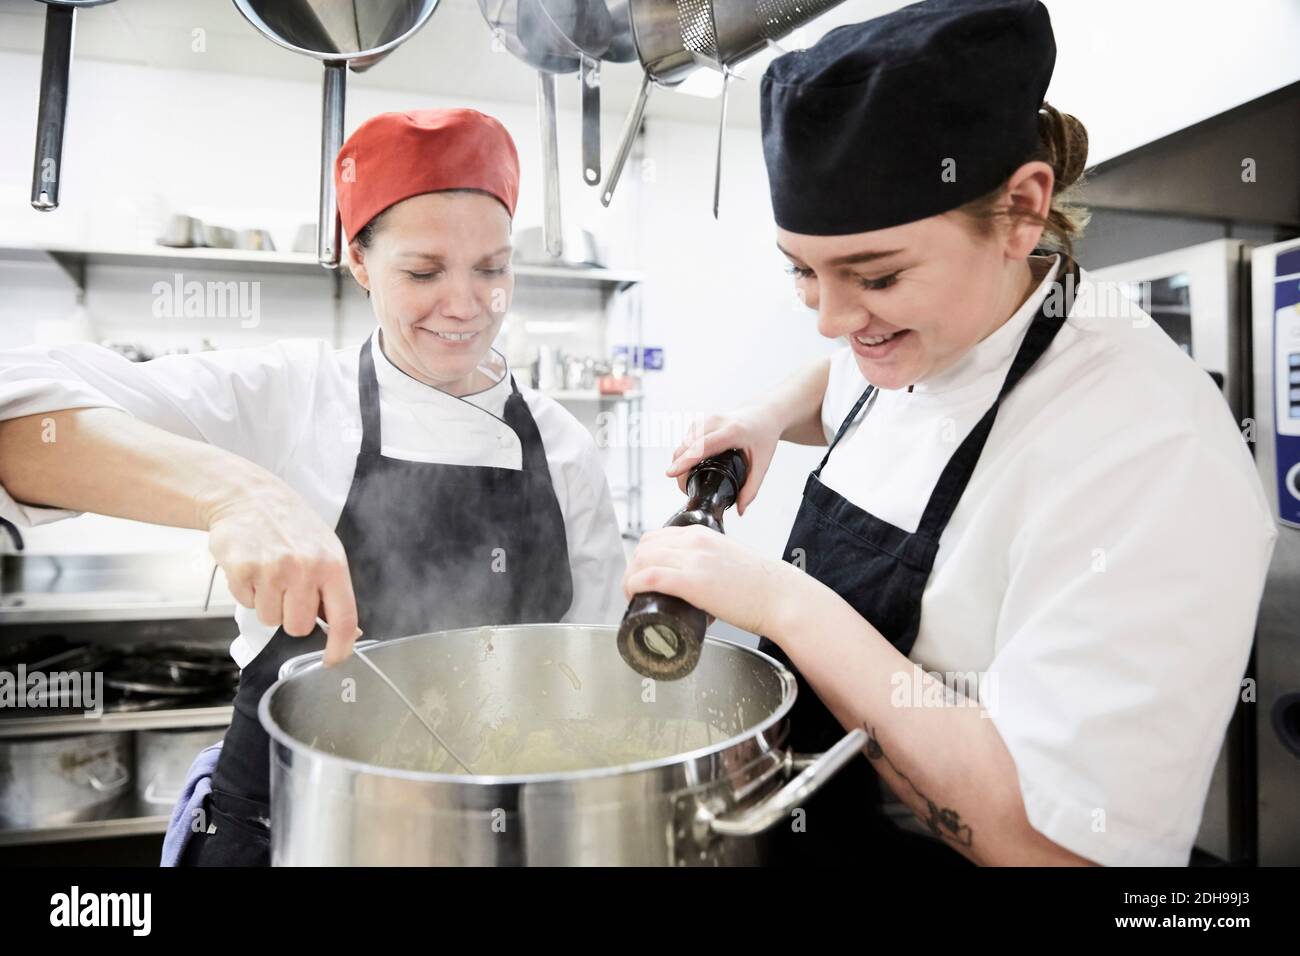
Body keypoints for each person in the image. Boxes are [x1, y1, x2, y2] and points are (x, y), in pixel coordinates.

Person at [623, 0, 1277, 866]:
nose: (830, 322)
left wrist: (780, 600)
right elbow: (857, 382)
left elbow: (1050, 847)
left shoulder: (1153, 452)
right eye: (802, 275)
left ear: (1022, 213)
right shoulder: (932, 330)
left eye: (876, 276)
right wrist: (770, 417)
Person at [0, 108, 627, 865]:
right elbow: (18, 414)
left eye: (492, 269)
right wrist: (232, 492)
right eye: (423, 272)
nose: (466, 305)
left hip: (487, 834)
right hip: (284, 824)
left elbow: (594, 680)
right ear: (359, 262)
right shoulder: (289, 395)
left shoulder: (564, 447)